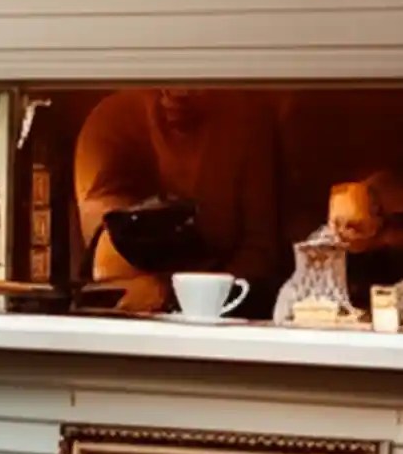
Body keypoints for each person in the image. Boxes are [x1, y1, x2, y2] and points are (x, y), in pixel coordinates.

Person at [73, 88, 287, 316]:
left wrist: (176, 293)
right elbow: (107, 260)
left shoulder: (247, 121)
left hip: (225, 313)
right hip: (130, 312)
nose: (179, 92)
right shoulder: (112, 122)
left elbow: (260, 254)